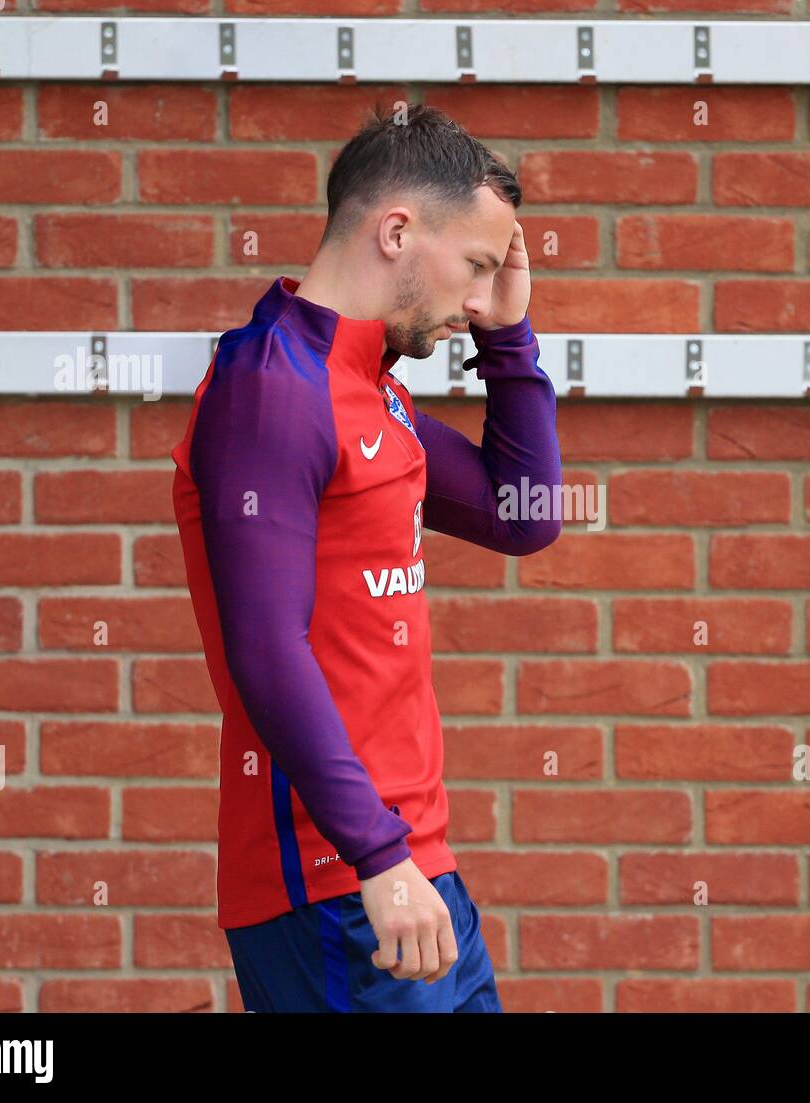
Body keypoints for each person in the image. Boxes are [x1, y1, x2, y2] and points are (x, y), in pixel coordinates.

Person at [169, 103, 562, 1012]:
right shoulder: (272, 388)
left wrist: (508, 336)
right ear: (396, 231)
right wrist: (376, 856)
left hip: (419, 870)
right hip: (338, 879)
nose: (476, 297)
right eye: (473, 266)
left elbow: (525, 512)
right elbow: (266, 648)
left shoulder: (364, 392)